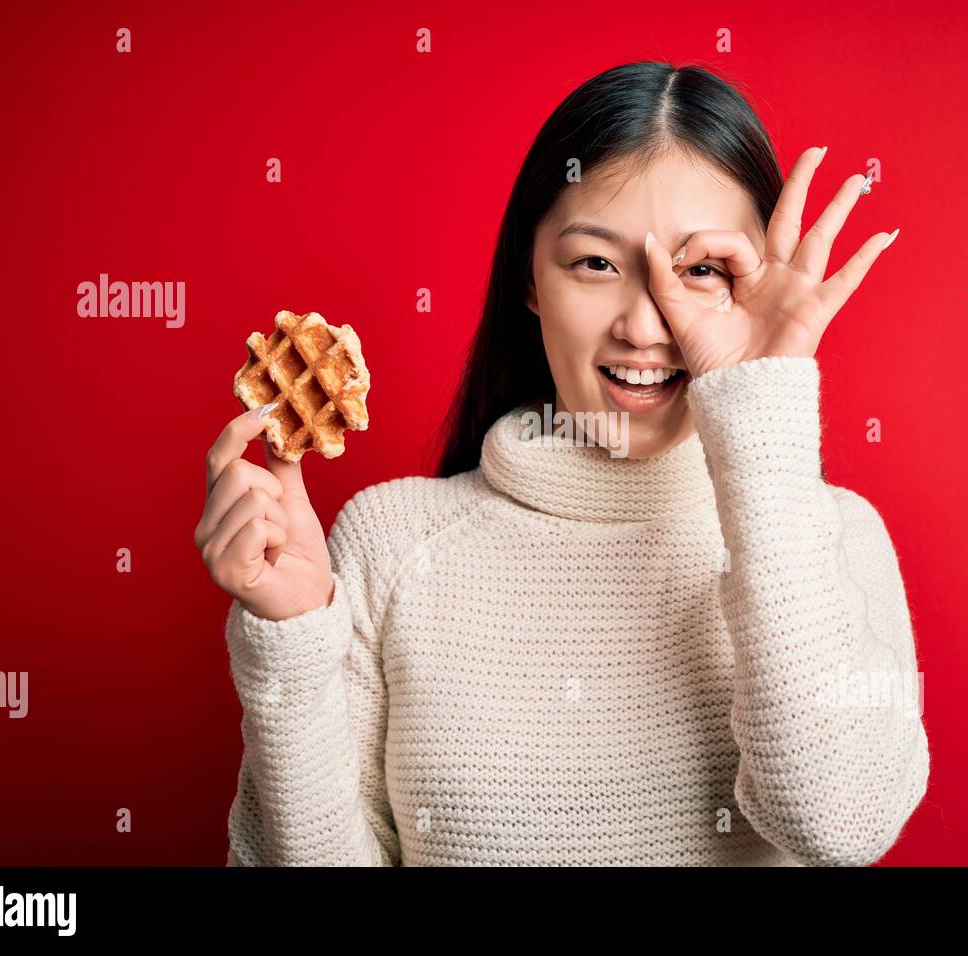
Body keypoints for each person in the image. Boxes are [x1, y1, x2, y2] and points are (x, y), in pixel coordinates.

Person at [195, 61, 928, 866]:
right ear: (531, 281)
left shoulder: (838, 541)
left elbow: (839, 827)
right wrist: (292, 642)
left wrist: (763, 417)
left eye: (702, 271)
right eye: (595, 264)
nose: (647, 327)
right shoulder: (391, 545)